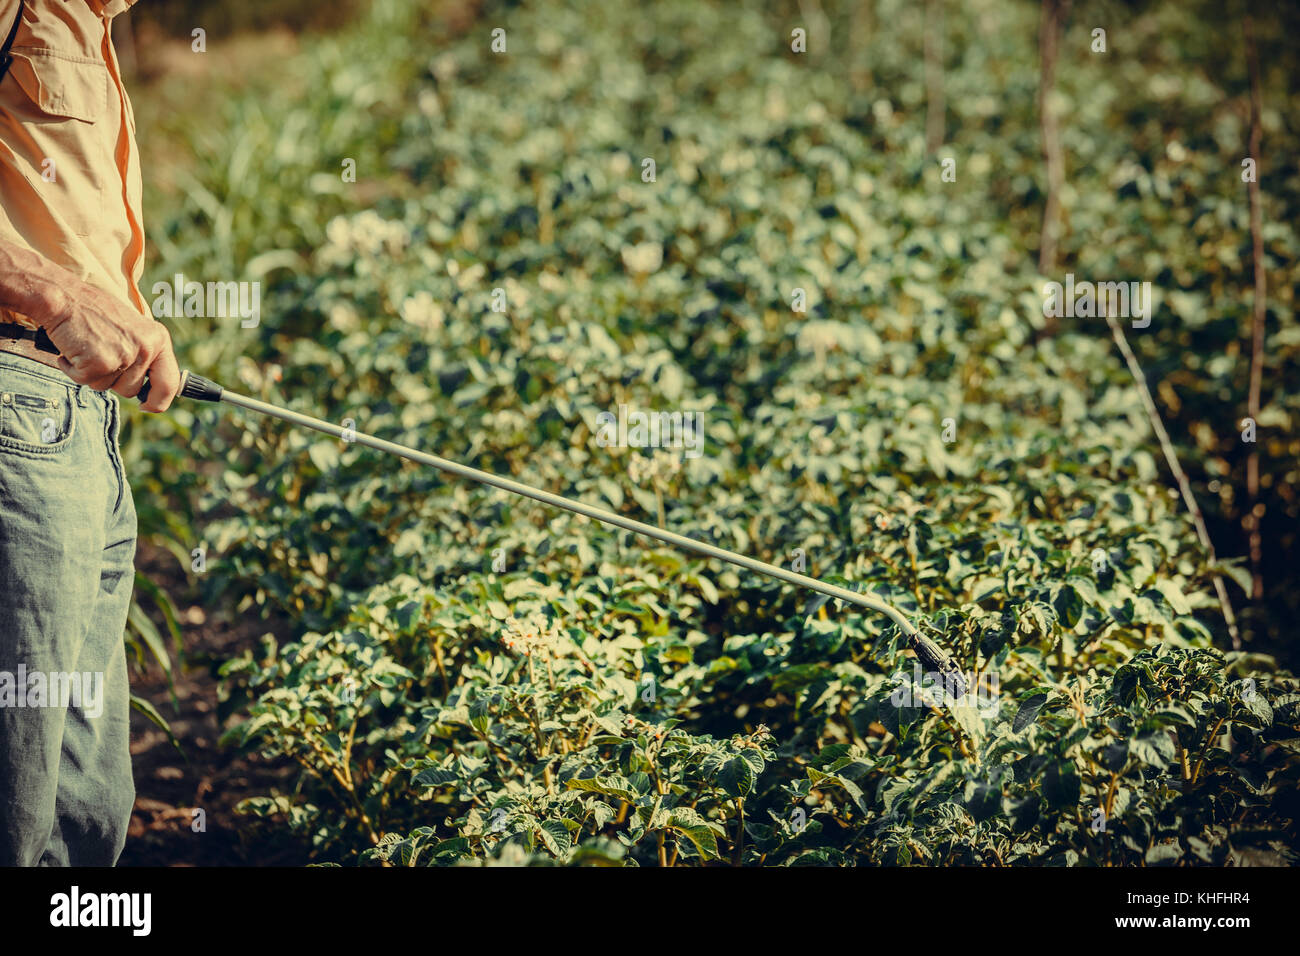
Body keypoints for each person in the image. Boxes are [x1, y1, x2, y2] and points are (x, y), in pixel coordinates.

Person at [0, 0, 179, 866]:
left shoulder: (88, 20)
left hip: (75, 425)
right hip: (15, 408)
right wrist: (60, 300)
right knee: (17, 809)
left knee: (84, 817)